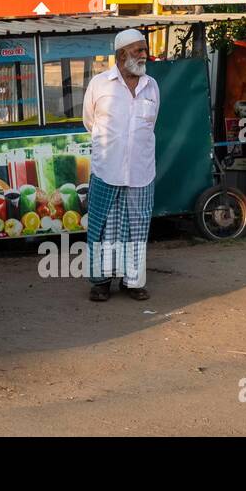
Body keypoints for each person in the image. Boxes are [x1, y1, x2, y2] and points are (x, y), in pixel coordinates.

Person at [81, 29, 160, 302]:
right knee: (104, 227)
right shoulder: (100, 84)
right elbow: (89, 121)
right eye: (138, 49)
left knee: (137, 228)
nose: (143, 54)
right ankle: (101, 282)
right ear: (121, 54)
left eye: (144, 49)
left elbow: (151, 125)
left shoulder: (151, 86)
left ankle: (133, 282)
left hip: (141, 171)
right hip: (107, 170)